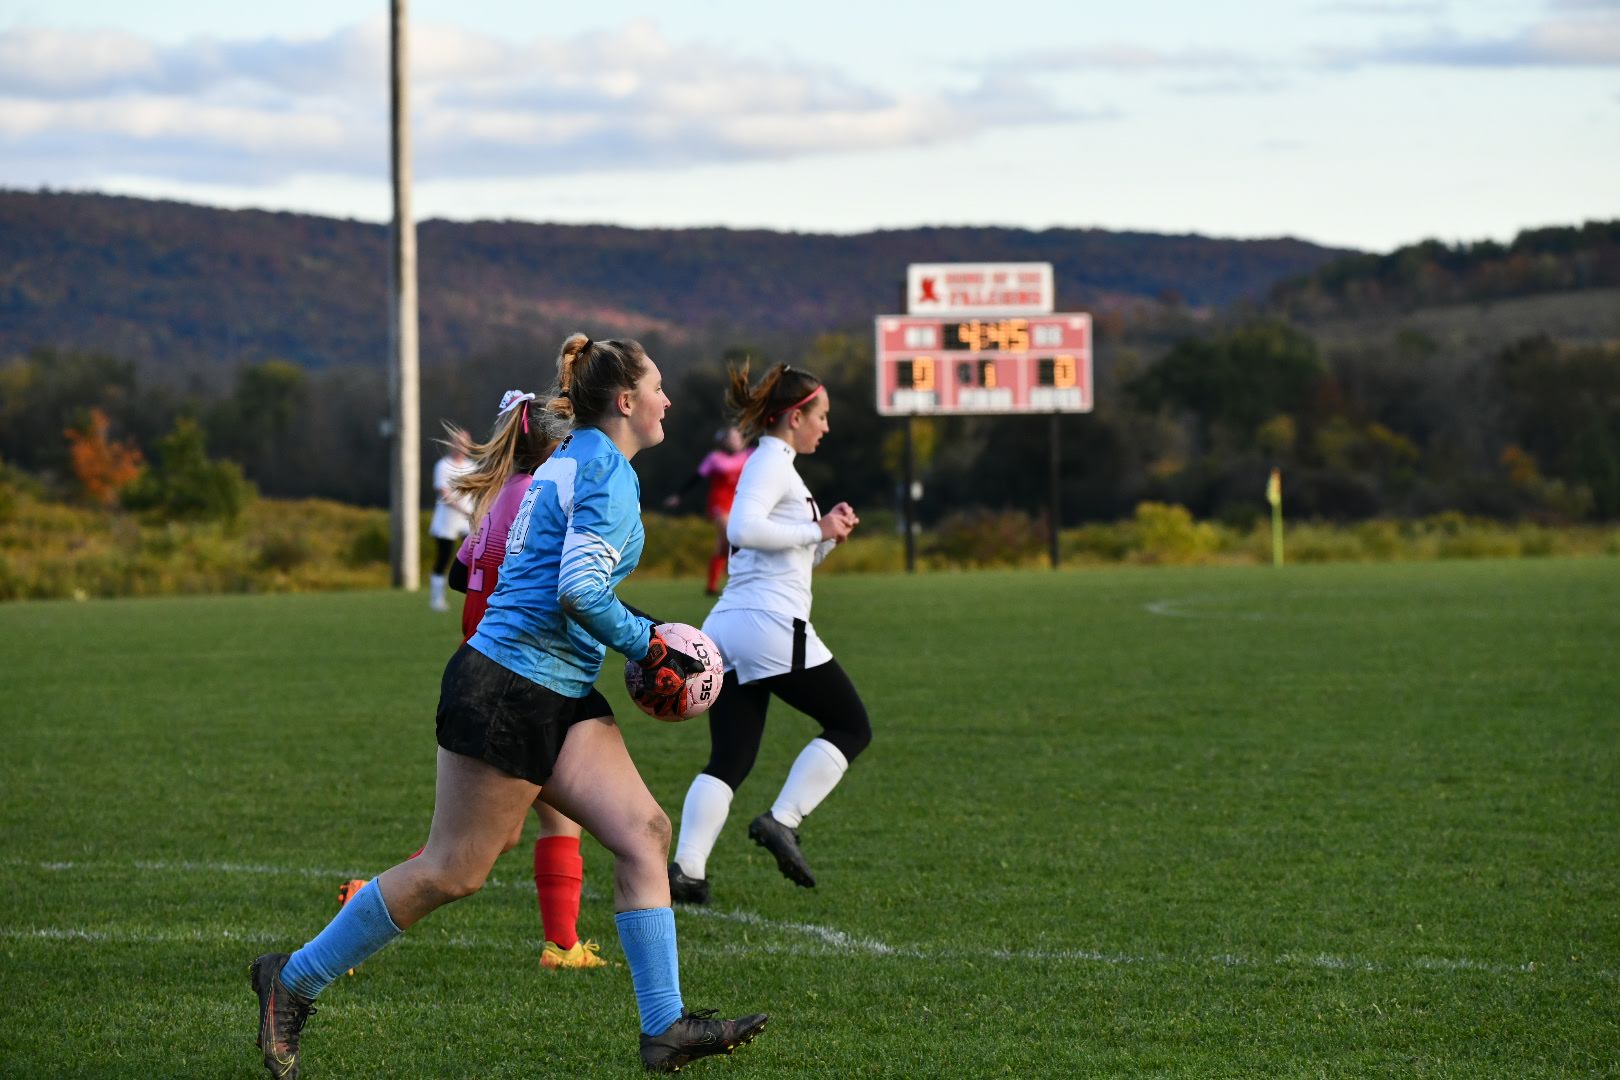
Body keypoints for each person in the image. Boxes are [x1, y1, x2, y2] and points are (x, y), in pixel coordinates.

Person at [251, 334, 768, 1079]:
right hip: (508, 689)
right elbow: (579, 592)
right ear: (625, 401)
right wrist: (647, 643)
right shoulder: (603, 473)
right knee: (452, 871)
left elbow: (556, 583)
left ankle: (665, 1029)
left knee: (645, 832)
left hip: (555, 691)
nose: (668, 400)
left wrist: (642, 634)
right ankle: (291, 979)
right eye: (657, 387)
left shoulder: (578, 459)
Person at [337, 388, 607, 972]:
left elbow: (462, 574)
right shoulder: (537, 497)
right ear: (560, 445)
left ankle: (562, 945)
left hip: (494, 666)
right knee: (468, 851)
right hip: (514, 675)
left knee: (534, 824)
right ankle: (365, 901)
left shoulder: (501, 497)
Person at [667, 362, 868, 906]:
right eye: (820, 417)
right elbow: (741, 528)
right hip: (769, 624)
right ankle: (783, 820)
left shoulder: (779, 467)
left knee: (731, 759)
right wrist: (816, 527)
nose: (825, 427)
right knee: (851, 726)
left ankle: (687, 871)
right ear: (795, 416)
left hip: (733, 624)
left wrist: (826, 538)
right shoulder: (772, 462)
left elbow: (774, 550)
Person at [663, 426, 751, 596]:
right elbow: (696, 478)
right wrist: (679, 495)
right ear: (723, 440)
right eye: (733, 437)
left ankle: (711, 586)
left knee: (722, 546)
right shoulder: (714, 458)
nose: (737, 440)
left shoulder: (747, 455)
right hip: (719, 505)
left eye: (739, 437)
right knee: (731, 539)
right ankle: (739, 583)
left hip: (737, 505)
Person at [428, 428, 475, 612]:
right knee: (444, 557)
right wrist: (462, 509)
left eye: (464, 442)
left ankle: (472, 595)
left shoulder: (472, 467)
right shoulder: (443, 466)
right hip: (446, 520)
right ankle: (436, 598)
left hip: (467, 521)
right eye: (457, 442)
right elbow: (444, 493)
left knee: (472, 558)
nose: (461, 446)